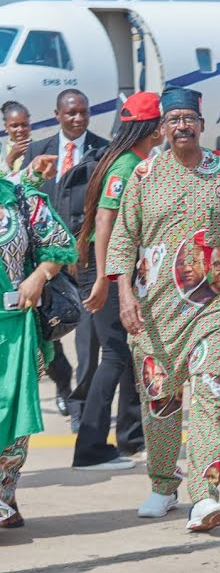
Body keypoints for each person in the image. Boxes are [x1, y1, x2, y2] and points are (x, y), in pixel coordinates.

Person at [102, 88, 220, 531]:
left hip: (215, 300)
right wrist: (123, 294)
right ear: (161, 127)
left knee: (210, 392)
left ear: (202, 124)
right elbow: (124, 237)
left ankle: (205, 496)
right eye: (173, 119)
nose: (182, 126)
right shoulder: (143, 175)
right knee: (161, 402)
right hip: (154, 307)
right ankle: (164, 485)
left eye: (190, 118)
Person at [70, 93, 163, 472]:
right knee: (114, 355)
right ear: (149, 127)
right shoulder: (127, 166)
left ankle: (127, 438)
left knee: (122, 354)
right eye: (161, 121)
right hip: (106, 267)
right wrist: (106, 279)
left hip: (112, 266)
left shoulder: (135, 160)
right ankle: (91, 447)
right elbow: (105, 223)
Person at [24, 89, 110, 427]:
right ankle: (63, 382)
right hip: (46, 264)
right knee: (50, 330)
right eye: (71, 113)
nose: (78, 119)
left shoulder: (102, 150)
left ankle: (81, 408)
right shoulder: (38, 151)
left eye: (83, 113)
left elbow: (104, 208)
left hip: (85, 260)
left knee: (89, 341)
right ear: (57, 114)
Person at [0, 167, 78, 529]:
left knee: (14, 422)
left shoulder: (20, 199)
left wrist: (38, 276)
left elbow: (60, 244)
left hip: (17, 328)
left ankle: (4, 494)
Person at [3, 101, 31, 178]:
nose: (20, 129)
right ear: (6, 127)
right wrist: (11, 158)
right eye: (14, 126)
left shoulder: (40, 146)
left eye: (24, 125)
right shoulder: (3, 152)